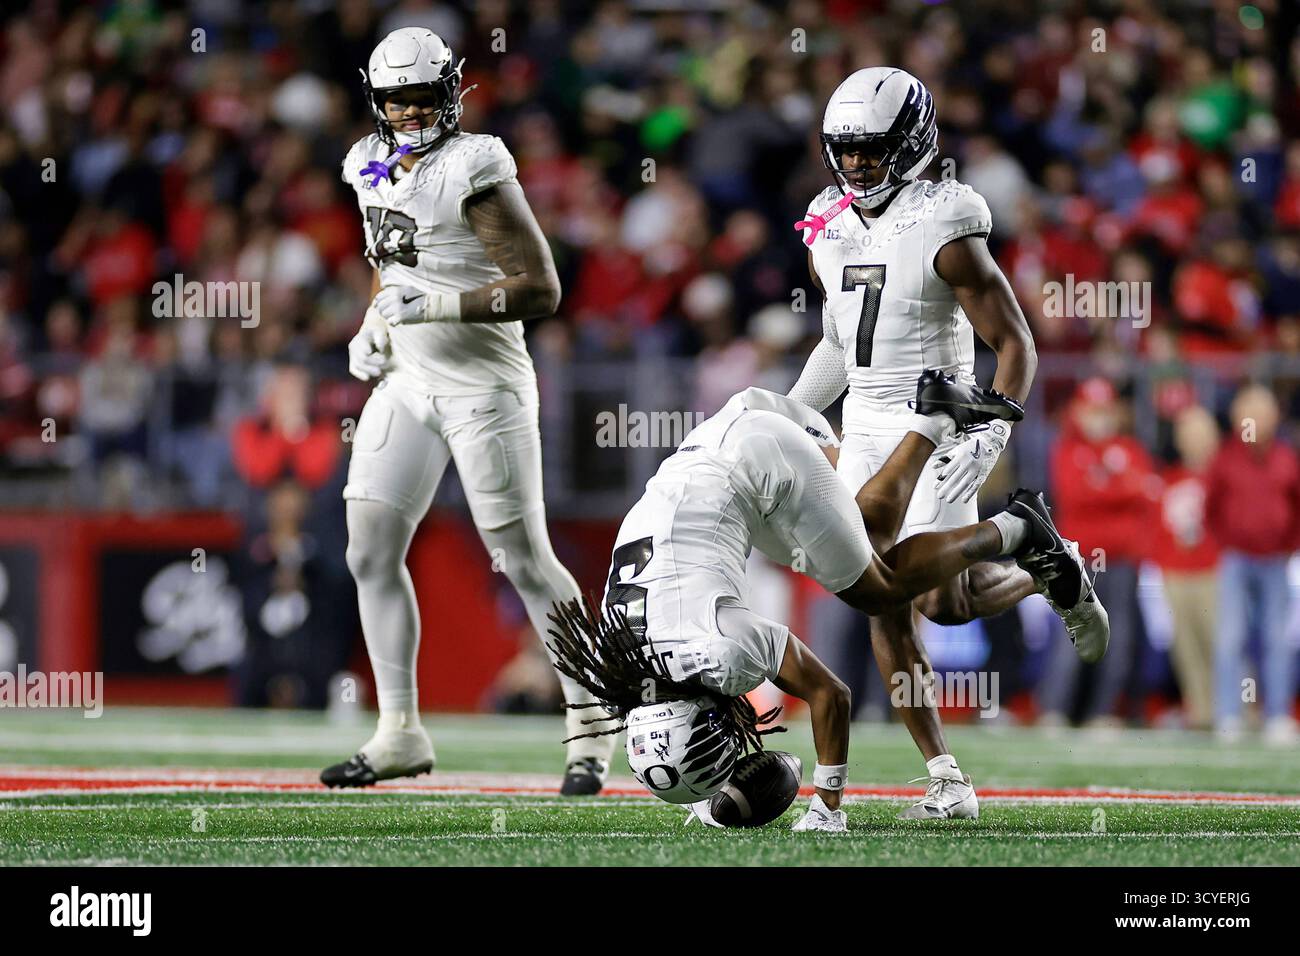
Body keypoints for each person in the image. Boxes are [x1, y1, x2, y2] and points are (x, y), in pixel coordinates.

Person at [548, 376, 1105, 832]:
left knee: (878, 588)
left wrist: (827, 803)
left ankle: (1009, 523)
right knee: (871, 538)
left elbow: (829, 694)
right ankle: (929, 426)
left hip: (758, 468)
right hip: (715, 443)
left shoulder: (719, 656)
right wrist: (702, 795)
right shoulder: (621, 655)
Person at [786, 68, 1095, 818]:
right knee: (881, 597)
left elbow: (1015, 343)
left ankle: (1038, 558)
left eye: (872, 149)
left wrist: (989, 433)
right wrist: (792, 407)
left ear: (914, 142)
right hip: (862, 423)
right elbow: (840, 339)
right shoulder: (825, 219)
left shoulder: (947, 217)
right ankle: (947, 778)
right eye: (847, 150)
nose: (857, 165)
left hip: (938, 417)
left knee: (942, 606)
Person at [320, 28, 617, 794]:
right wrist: (376, 320)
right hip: (410, 383)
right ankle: (399, 731)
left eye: (424, 98)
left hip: (485, 386)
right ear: (375, 101)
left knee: (523, 557)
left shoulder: (475, 165)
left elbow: (542, 289)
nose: (412, 114)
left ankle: (590, 727)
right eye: (397, 101)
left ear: (452, 93)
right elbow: (391, 263)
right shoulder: (365, 161)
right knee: (369, 549)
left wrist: (437, 305)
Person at [1042, 378, 1156, 726]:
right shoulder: (1065, 449)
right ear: (1077, 411)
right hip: (1078, 562)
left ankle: (1103, 712)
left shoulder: (1129, 448)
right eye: (1092, 410)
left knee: (1117, 640)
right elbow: (1075, 495)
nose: (1099, 418)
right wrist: (1119, 487)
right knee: (1072, 636)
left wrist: (1105, 483)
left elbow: (1147, 491)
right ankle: (1054, 710)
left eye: (1104, 410)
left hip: (1120, 562)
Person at [1206, 384, 1300, 743]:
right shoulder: (1226, 457)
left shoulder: (1286, 457)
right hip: (1237, 558)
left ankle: (1277, 714)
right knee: (1231, 636)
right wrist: (1224, 544)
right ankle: (1229, 713)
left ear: (1275, 417)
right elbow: (1210, 508)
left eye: (1263, 413)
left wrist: (1290, 545)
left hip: (1276, 560)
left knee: (1278, 638)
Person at [1152, 405, 1220, 730]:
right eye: (1188, 435)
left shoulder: (1222, 476)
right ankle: (1200, 710)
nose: (1195, 442)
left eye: (1200, 434)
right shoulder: (1171, 478)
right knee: (1186, 646)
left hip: (1213, 568)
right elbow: (1156, 524)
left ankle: (1234, 708)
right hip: (1176, 570)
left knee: (1221, 641)